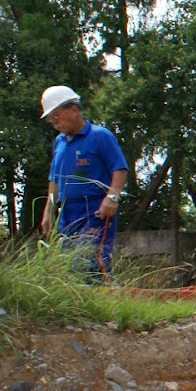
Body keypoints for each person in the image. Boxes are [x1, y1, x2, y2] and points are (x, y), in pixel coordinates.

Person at [40, 85, 128, 277]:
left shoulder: (100, 136)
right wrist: (48, 211)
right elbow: (55, 178)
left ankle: (103, 299)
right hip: (67, 211)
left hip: (94, 209)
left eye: (56, 116)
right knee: (67, 262)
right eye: (50, 119)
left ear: (73, 110)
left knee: (89, 260)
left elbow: (119, 168)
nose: (54, 123)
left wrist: (112, 198)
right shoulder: (59, 142)